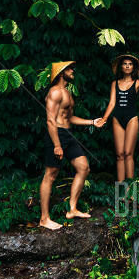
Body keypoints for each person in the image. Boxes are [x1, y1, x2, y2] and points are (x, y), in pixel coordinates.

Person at [38, 60, 103, 230]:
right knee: (50, 175)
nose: (73, 70)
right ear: (61, 73)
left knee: (83, 168)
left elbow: (70, 118)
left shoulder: (67, 92)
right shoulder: (54, 93)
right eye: (69, 69)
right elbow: (51, 120)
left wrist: (92, 122)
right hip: (56, 135)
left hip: (68, 134)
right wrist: (57, 145)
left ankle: (72, 209)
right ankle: (44, 219)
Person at [96, 52, 139, 183]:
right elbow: (112, 103)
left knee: (128, 154)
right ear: (121, 67)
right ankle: (120, 190)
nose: (127, 66)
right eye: (125, 64)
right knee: (119, 155)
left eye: (130, 64)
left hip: (131, 119)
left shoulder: (137, 83)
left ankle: (130, 189)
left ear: (134, 68)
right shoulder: (114, 83)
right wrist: (104, 118)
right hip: (117, 119)